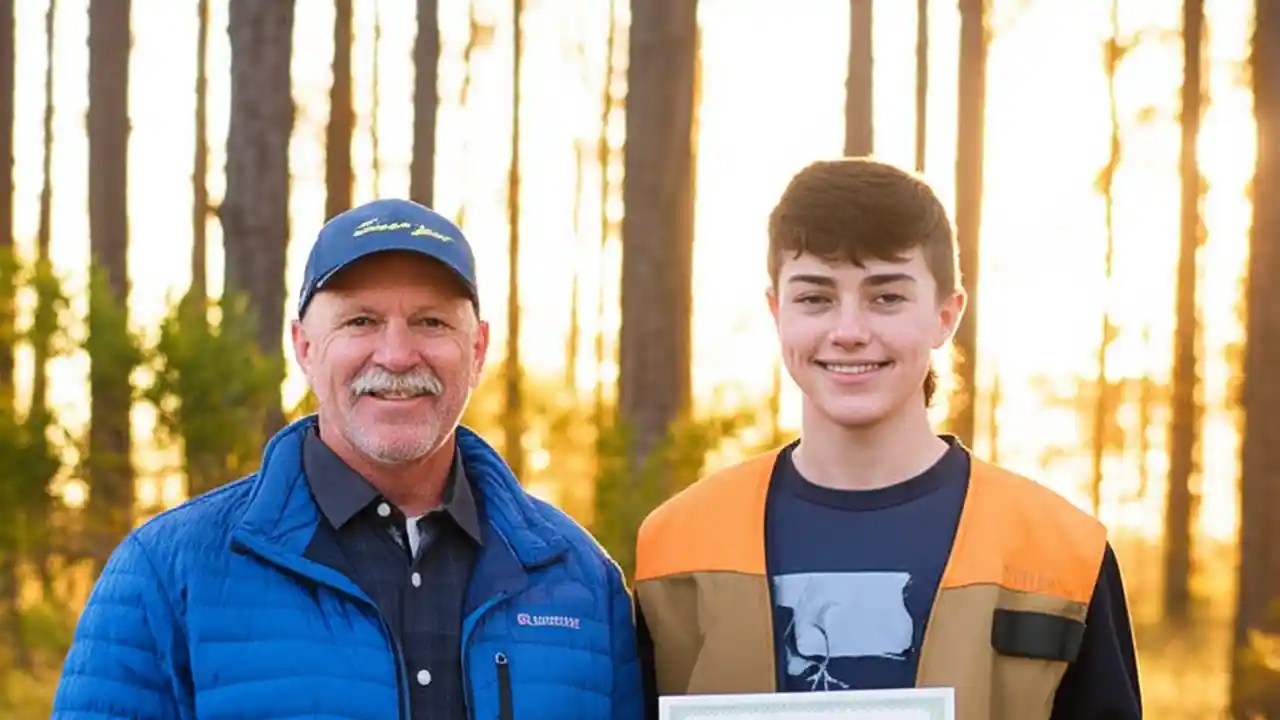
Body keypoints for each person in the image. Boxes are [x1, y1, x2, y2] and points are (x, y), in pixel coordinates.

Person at [53, 198, 643, 719]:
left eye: (430, 322)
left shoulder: (581, 582)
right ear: (304, 347)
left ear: (477, 349)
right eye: (361, 321)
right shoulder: (166, 575)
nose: (396, 354)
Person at [633, 159, 1141, 719]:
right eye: (815, 298)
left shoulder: (1063, 551)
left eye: (886, 298)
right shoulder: (674, 549)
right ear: (776, 311)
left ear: (947, 315)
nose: (849, 331)